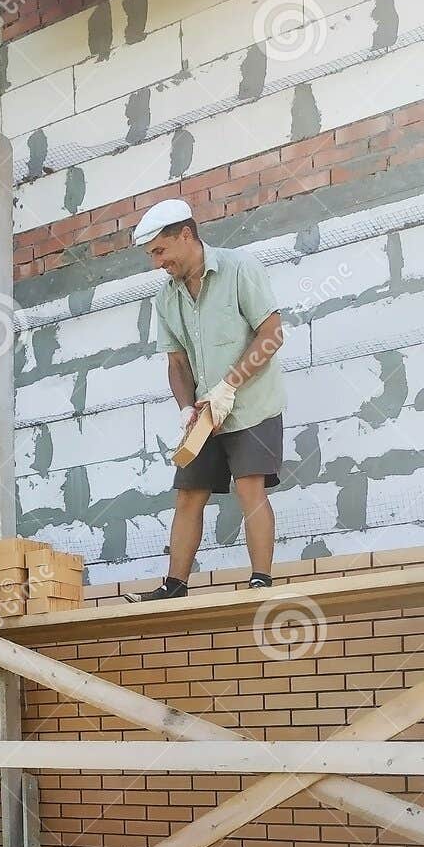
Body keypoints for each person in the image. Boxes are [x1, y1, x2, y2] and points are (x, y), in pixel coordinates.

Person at [127, 196, 286, 603]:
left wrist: (228, 386)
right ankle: (174, 585)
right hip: (204, 415)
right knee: (189, 492)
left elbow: (272, 335)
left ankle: (260, 582)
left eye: (160, 251)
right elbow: (177, 363)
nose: (157, 262)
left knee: (250, 487)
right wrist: (186, 407)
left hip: (252, 404)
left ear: (186, 235)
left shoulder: (239, 269)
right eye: (151, 255)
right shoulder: (166, 298)